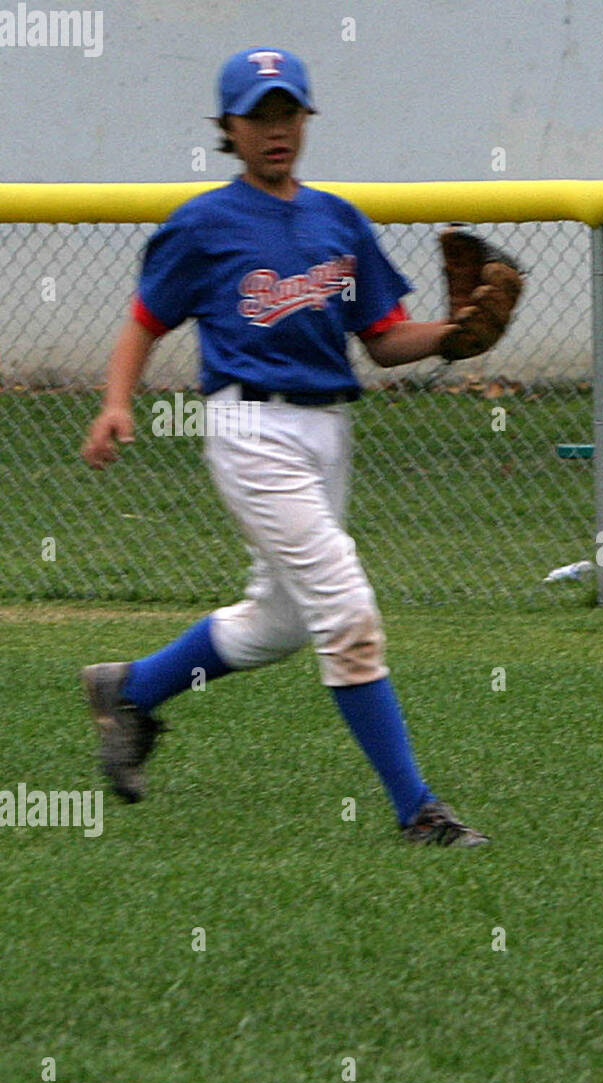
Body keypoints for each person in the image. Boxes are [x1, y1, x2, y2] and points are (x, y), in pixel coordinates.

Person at [80, 47, 510, 846]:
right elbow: (145, 320)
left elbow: (381, 339)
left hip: (327, 431)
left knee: (278, 624)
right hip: (250, 429)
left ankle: (131, 692)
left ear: (306, 120)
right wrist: (114, 403)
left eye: (288, 113)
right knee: (347, 613)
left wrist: (453, 337)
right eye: (258, 115)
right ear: (229, 129)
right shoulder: (206, 222)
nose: (275, 130)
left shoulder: (337, 219)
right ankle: (418, 810)